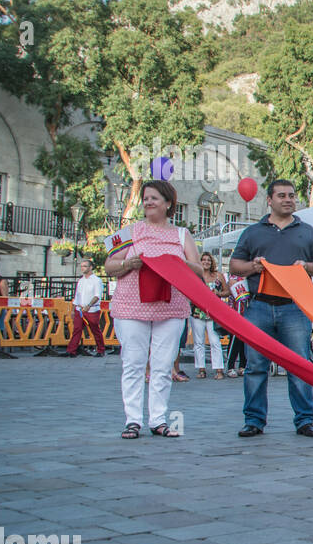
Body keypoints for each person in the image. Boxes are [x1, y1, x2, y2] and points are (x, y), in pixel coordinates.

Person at [229, 179, 313, 438]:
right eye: (282, 195)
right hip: (259, 306)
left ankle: (305, 420)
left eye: (292, 195)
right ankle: (253, 420)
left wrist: (306, 267)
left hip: (294, 308)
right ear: (270, 200)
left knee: (300, 365)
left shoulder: (306, 231)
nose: (288, 199)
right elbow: (234, 266)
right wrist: (253, 267)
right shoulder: (253, 232)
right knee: (254, 366)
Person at [103, 180, 203, 438]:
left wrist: (175, 262)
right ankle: (132, 420)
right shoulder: (130, 232)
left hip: (170, 306)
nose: (148, 202)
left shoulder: (182, 235)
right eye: (146, 198)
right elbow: (109, 265)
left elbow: (199, 270)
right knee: (133, 363)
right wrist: (129, 263)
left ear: (168, 203)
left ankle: (158, 419)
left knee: (162, 364)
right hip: (131, 305)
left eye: (154, 198)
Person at [189, 252, 228, 380]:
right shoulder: (194, 276)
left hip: (213, 313)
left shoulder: (218, 276)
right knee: (198, 342)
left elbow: (227, 291)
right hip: (197, 312)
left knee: (214, 341)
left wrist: (218, 293)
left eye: (208, 260)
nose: (206, 262)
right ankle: (201, 369)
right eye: (203, 260)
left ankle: (219, 369)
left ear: (212, 262)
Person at [67, 258, 107, 357]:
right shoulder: (80, 280)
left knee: (95, 330)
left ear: (91, 267)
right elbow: (77, 296)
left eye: (85, 266)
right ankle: (72, 351)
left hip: (92, 310)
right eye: (81, 266)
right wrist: (73, 309)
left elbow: (97, 296)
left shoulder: (97, 280)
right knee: (77, 329)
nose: (82, 268)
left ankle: (101, 350)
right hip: (79, 309)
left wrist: (89, 305)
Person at [223, 274, 249, 378]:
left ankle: (242, 365)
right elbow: (235, 289)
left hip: (247, 313)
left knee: (244, 340)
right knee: (235, 339)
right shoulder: (233, 278)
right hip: (236, 312)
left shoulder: (249, 276)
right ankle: (230, 366)